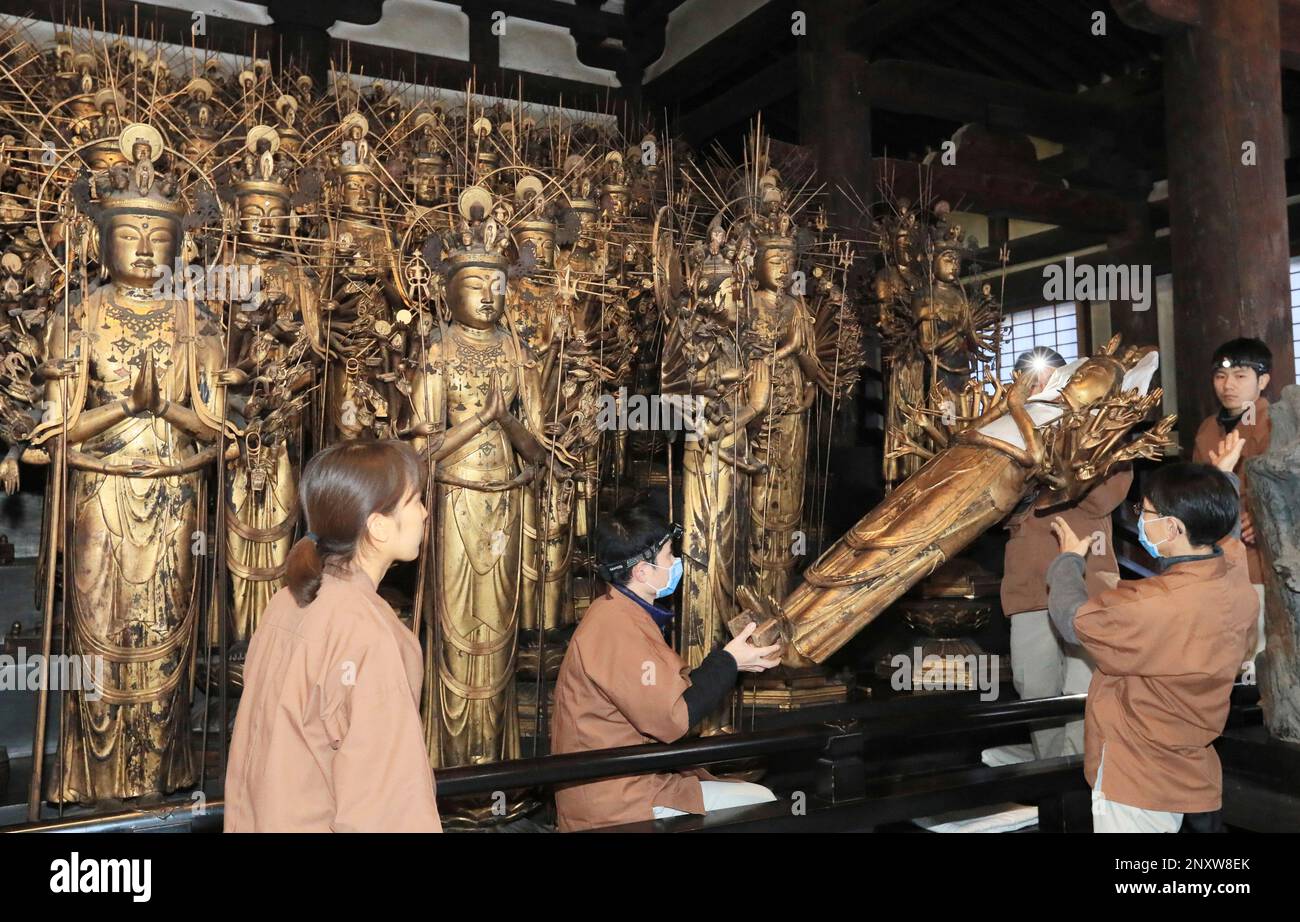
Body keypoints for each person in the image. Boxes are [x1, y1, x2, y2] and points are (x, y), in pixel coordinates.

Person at [225, 439, 442, 832]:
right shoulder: (366, 633)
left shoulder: (287, 601)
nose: (425, 513)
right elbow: (385, 807)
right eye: (415, 501)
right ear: (378, 526)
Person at [1046, 432, 1258, 833]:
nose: (1140, 520)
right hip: (1191, 770)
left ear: (1173, 528)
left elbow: (1072, 620)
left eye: (1145, 513)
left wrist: (1069, 561)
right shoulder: (1234, 580)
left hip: (1137, 775)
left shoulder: (1149, 604)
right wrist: (1222, 481)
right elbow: (1228, 537)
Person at [550, 500, 783, 831]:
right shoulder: (616, 627)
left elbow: (666, 695)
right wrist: (729, 661)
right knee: (761, 800)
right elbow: (675, 718)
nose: (676, 563)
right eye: (670, 556)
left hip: (625, 779)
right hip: (616, 797)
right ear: (642, 572)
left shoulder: (617, 611)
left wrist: (734, 663)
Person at [1001, 347, 1132, 758]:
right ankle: (1047, 777)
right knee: (1034, 690)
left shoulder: (1106, 433)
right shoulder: (1007, 439)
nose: (1041, 387)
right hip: (1029, 585)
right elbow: (995, 509)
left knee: (1085, 688)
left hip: (1088, 581)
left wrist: (1056, 462)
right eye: (1030, 381)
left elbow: (1102, 500)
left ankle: (1082, 777)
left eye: (1051, 377)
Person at [1191, 337, 1272, 661]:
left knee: (1260, 650)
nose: (1228, 385)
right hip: (1217, 554)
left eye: (1240, 376)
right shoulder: (1208, 428)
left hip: (1261, 558)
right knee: (1224, 654)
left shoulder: (1276, 420)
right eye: (1220, 376)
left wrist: (1261, 514)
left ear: (1263, 380)